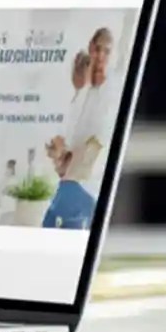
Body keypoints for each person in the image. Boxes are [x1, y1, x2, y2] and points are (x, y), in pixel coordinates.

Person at [43, 28, 120, 229]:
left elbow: (98, 142)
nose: (100, 56)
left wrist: (69, 157)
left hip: (86, 185)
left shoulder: (112, 91)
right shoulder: (82, 91)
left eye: (106, 51)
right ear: (90, 48)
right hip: (68, 180)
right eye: (97, 49)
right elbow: (68, 136)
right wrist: (60, 153)